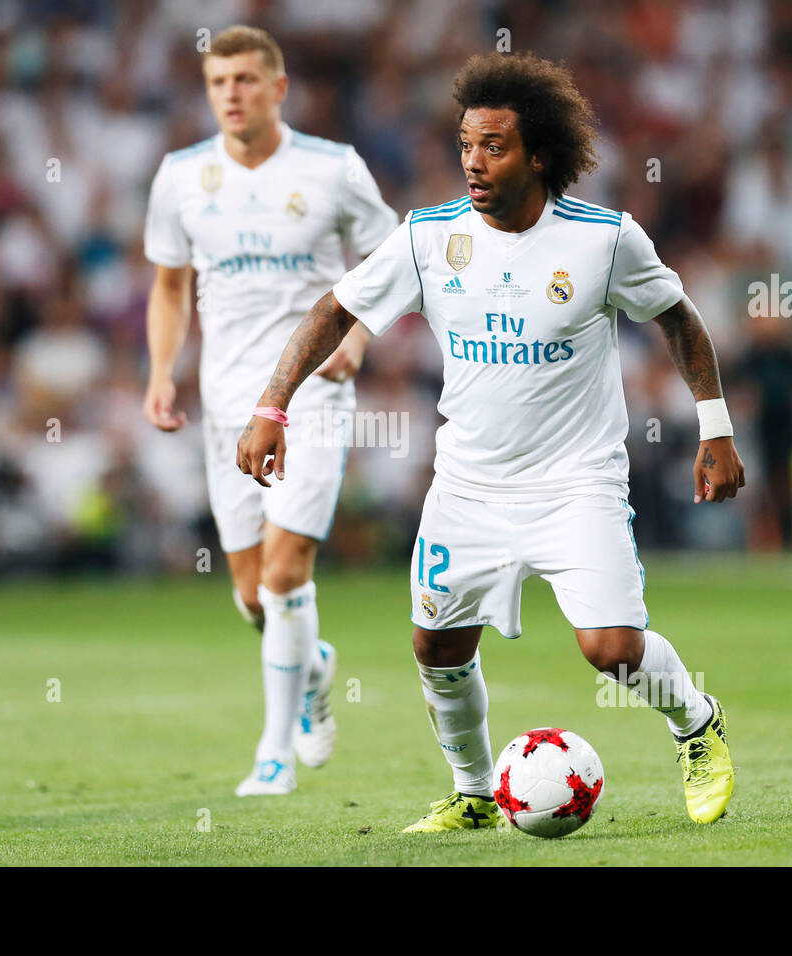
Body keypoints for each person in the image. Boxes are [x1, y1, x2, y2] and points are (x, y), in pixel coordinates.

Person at [237, 52, 744, 829]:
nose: (473, 161)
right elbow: (335, 311)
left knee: (610, 648)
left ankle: (696, 724)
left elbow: (678, 317)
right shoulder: (429, 239)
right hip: (468, 486)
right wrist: (272, 406)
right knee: (436, 649)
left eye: (494, 146)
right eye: (466, 143)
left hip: (577, 481)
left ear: (539, 154)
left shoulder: (604, 242)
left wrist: (716, 428)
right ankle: (475, 792)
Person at [143, 26, 398, 796]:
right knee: (253, 595)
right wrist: (160, 372)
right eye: (219, 81)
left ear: (278, 88)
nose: (231, 93)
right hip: (226, 403)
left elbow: (392, 261)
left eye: (247, 80)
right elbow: (166, 286)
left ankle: (275, 749)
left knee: (287, 574)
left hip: (311, 395)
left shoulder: (331, 169)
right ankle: (313, 668)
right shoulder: (182, 177)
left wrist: (355, 337)